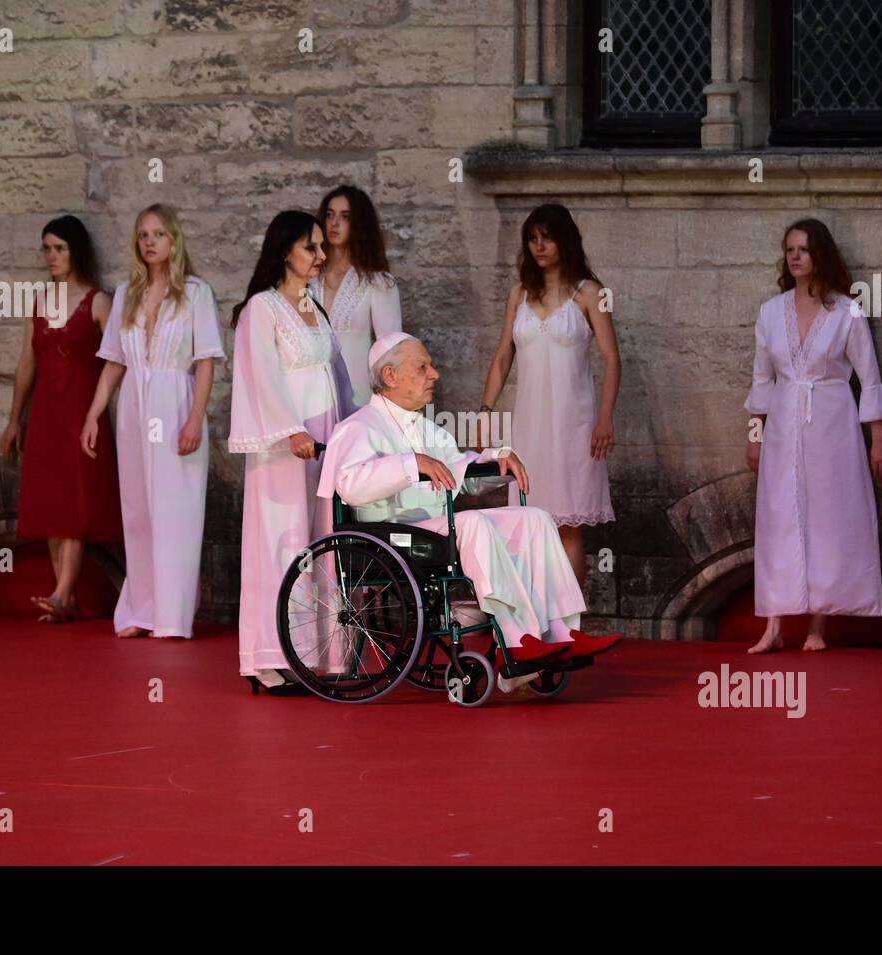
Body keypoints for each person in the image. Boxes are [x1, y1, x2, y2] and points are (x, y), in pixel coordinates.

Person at [318, 332, 622, 682]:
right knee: (473, 524)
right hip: (389, 536)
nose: (435, 374)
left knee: (535, 518)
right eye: (423, 367)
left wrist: (498, 460)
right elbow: (351, 486)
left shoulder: (428, 429)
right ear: (390, 376)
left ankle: (559, 632)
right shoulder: (356, 427)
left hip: (431, 529)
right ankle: (514, 637)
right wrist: (410, 463)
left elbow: (462, 473)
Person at [745, 218, 882, 654]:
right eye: (790, 249)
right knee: (778, 517)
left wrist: (879, 438)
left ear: (820, 255)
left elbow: (868, 377)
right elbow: (760, 380)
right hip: (783, 422)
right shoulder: (771, 312)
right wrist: (755, 435)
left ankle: (817, 626)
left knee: (828, 515)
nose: (794, 256)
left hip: (832, 423)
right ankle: (773, 625)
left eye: (804, 249)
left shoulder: (847, 311)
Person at [81, 204, 224, 638]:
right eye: (143, 235)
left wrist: (195, 419)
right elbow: (113, 363)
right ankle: (143, 609)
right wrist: (92, 414)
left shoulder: (196, 293)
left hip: (175, 402)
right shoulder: (126, 293)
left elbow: (204, 363)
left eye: (158, 234)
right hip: (133, 408)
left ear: (174, 240)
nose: (149, 242)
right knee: (138, 510)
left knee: (175, 510)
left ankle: (173, 615)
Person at [228, 210, 354, 695]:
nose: (322, 256)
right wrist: (291, 429)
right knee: (281, 541)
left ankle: (316, 652)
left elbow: (335, 372)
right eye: (311, 248)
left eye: (323, 247)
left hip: (322, 439)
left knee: (319, 540)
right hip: (284, 446)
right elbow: (261, 375)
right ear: (285, 251)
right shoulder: (261, 308)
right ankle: (268, 657)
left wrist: (355, 424)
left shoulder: (316, 307)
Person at [479, 203, 619, 589]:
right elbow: (503, 354)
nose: (540, 246)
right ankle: (533, 620)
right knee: (529, 520)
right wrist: (485, 412)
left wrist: (605, 419)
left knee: (570, 526)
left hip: (576, 424)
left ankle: (570, 625)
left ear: (565, 240)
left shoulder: (590, 293)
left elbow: (612, 360)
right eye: (533, 239)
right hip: (530, 426)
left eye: (548, 238)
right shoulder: (518, 294)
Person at [0, 215, 122, 623]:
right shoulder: (38, 302)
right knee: (52, 503)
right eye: (47, 248)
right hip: (47, 415)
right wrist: (14, 419)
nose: (51, 256)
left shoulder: (99, 301)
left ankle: (62, 592)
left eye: (59, 248)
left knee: (76, 502)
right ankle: (64, 596)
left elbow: (118, 360)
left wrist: (104, 411)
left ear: (76, 251)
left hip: (83, 414)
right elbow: (26, 364)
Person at [308, 184, 402, 407]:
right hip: (310, 399)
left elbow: (391, 351)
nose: (334, 223)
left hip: (358, 399)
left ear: (359, 223)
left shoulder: (379, 283)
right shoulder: (308, 279)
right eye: (329, 215)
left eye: (345, 216)